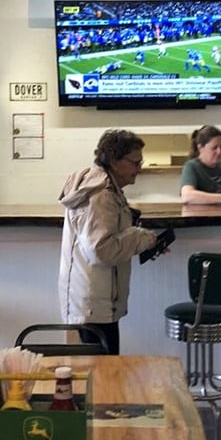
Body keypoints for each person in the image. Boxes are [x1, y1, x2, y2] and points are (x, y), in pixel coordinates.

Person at [58, 129, 157, 355]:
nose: (139, 169)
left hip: (93, 300)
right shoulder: (101, 195)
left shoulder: (105, 187)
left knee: (99, 374)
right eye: (135, 163)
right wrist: (141, 237)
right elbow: (102, 251)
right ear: (114, 160)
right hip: (95, 304)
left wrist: (141, 241)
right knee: (103, 376)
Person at [180, 124, 221, 205]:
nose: (219, 152)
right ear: (200, 148)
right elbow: (187, 196)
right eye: (214, 148)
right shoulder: (191, 166)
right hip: (206, 215)